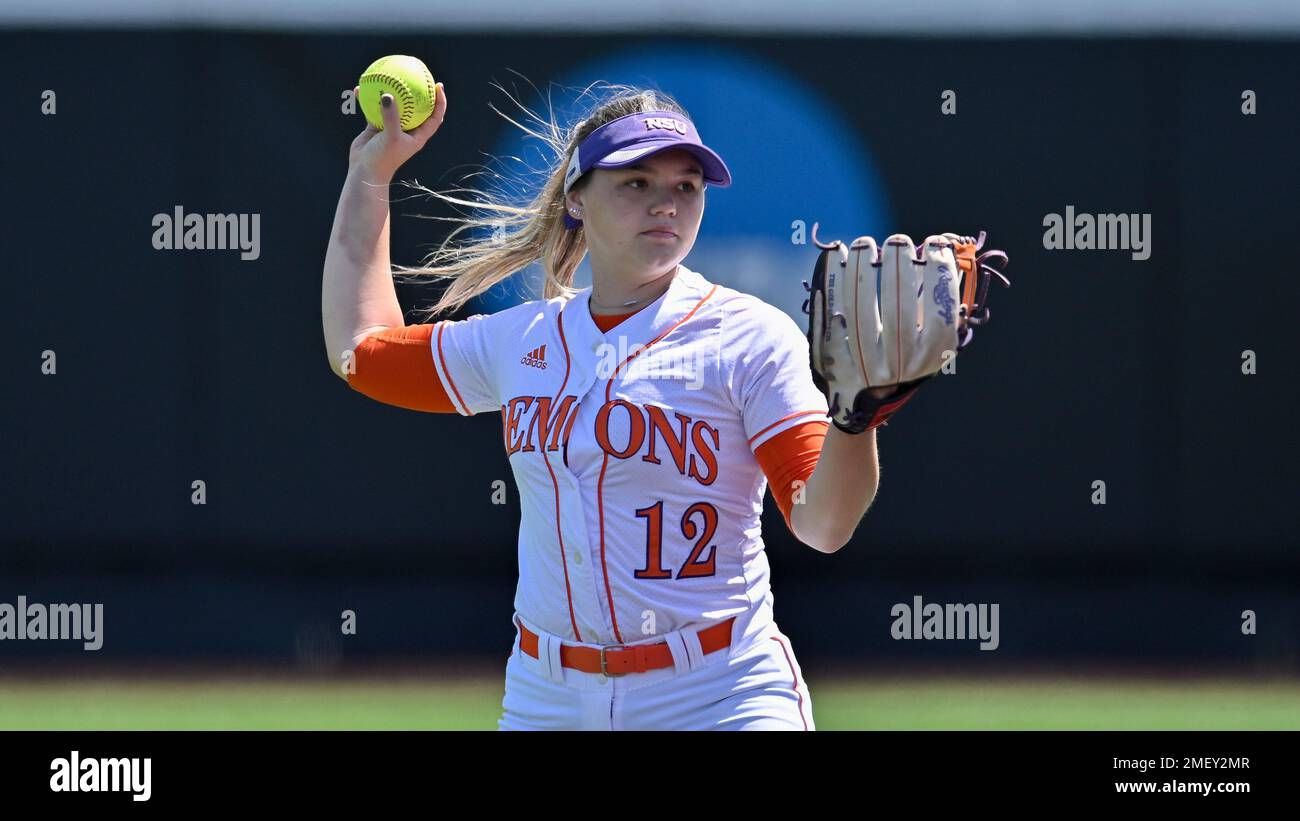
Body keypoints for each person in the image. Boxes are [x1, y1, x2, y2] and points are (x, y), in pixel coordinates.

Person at [322, 81, 891, 730]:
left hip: (716, 693)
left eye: (685, 186)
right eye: (636, 182)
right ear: (576, 200)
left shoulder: (748, 338)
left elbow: (824, 525)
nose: (666, 204)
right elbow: (359, 352)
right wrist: (371, 173)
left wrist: (855, 419)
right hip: (550, 696)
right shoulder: (523, 338)